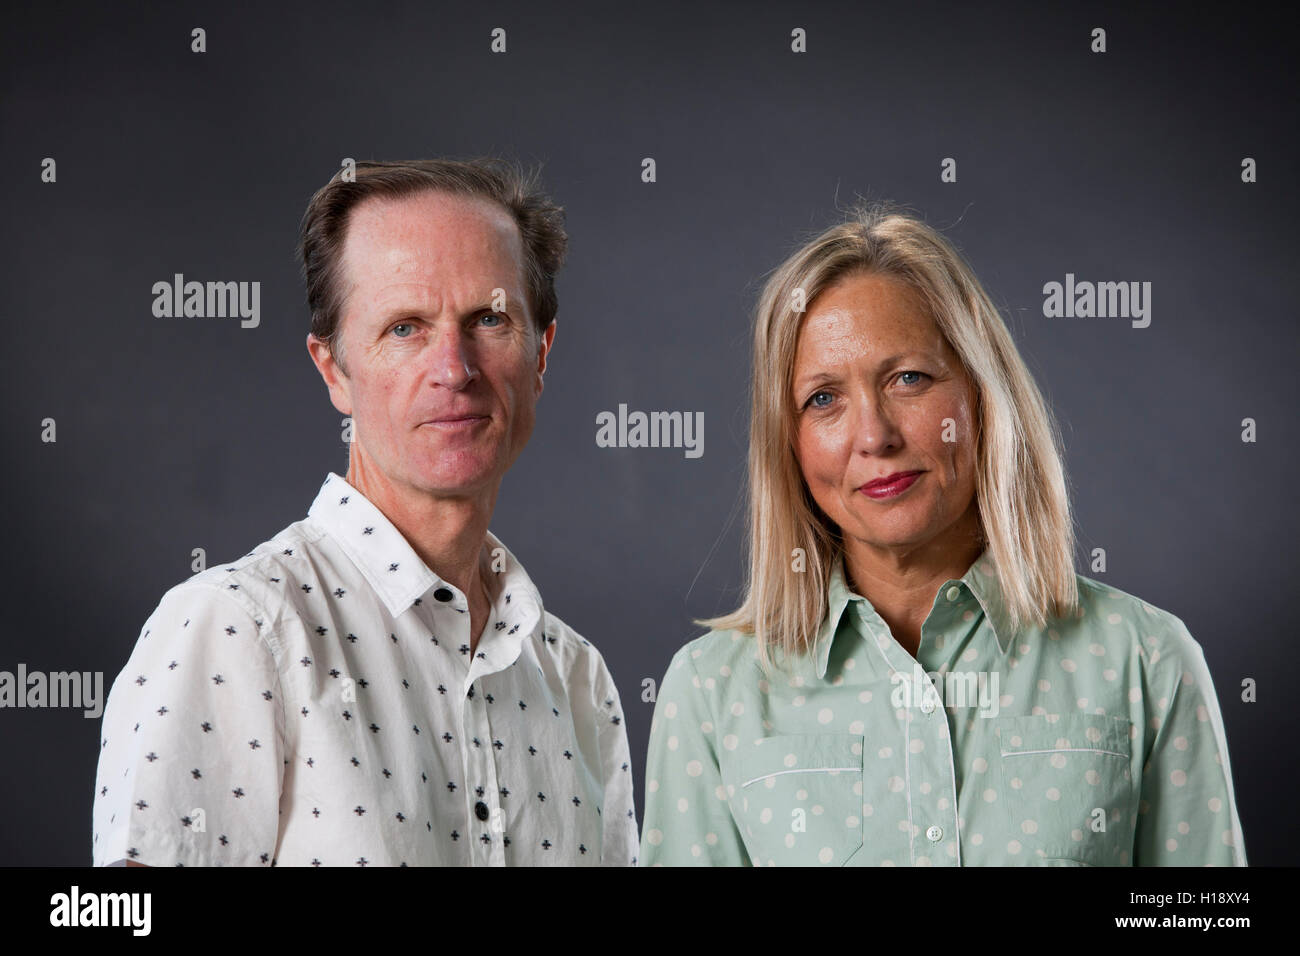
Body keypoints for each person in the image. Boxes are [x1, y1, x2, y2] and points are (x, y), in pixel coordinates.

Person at [640, 203, 1246, 866]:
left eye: (909, 379)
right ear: (789, 443)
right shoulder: (709, 695)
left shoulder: (1147, 663)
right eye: (823, 398)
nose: (874, 436)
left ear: (984, 396)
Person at [93, 158, 637, 866]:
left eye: (489, 319)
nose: (454, 367)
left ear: (541, 354)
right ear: (334, 370)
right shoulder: (237, 630)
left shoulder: (577, 680)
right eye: (405, 327)